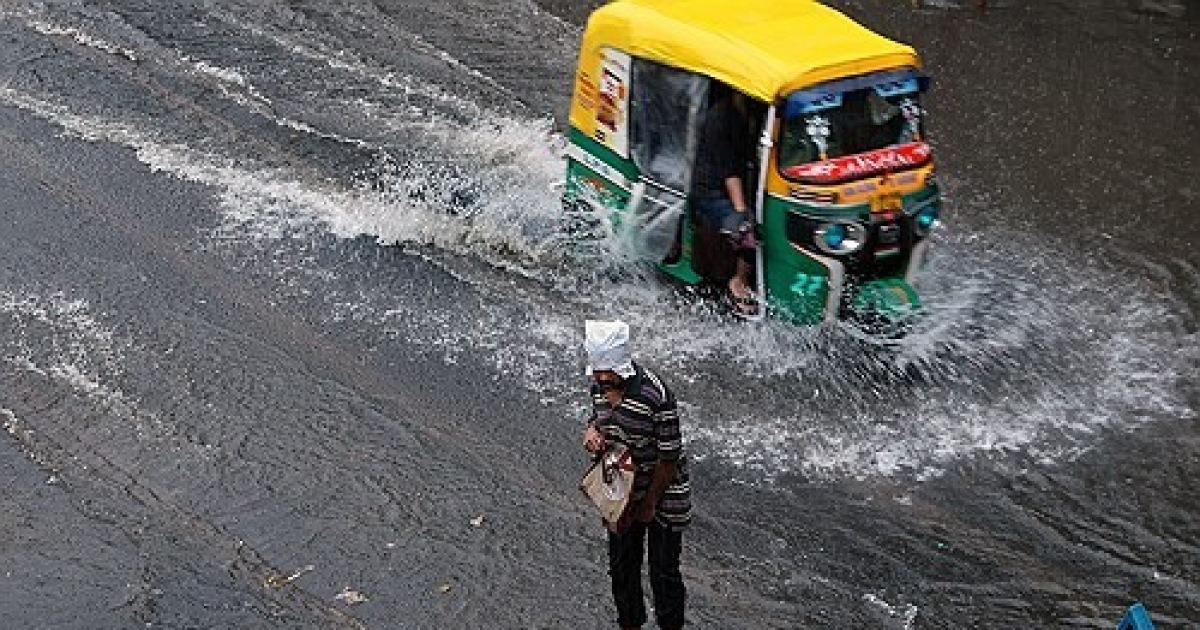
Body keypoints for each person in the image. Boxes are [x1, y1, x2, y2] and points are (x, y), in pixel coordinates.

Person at [582, 320, 691, 630]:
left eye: (608, 376)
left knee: (663, 572)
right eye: (598, 375)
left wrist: (649, 504)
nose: (602, 382)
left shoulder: (655, 395)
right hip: (623, 487)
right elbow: (598, 419)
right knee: (621, 566)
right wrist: (592, 432)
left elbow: (669, 458)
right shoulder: (598, 388)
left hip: (664, 490)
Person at [690, 86, 759, 316]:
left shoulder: (750, 114)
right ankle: (738, 282)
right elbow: (728, 172)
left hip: (735, 185)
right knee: (747, 230)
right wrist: (741, 211)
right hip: (710, 191)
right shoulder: (721, 117)